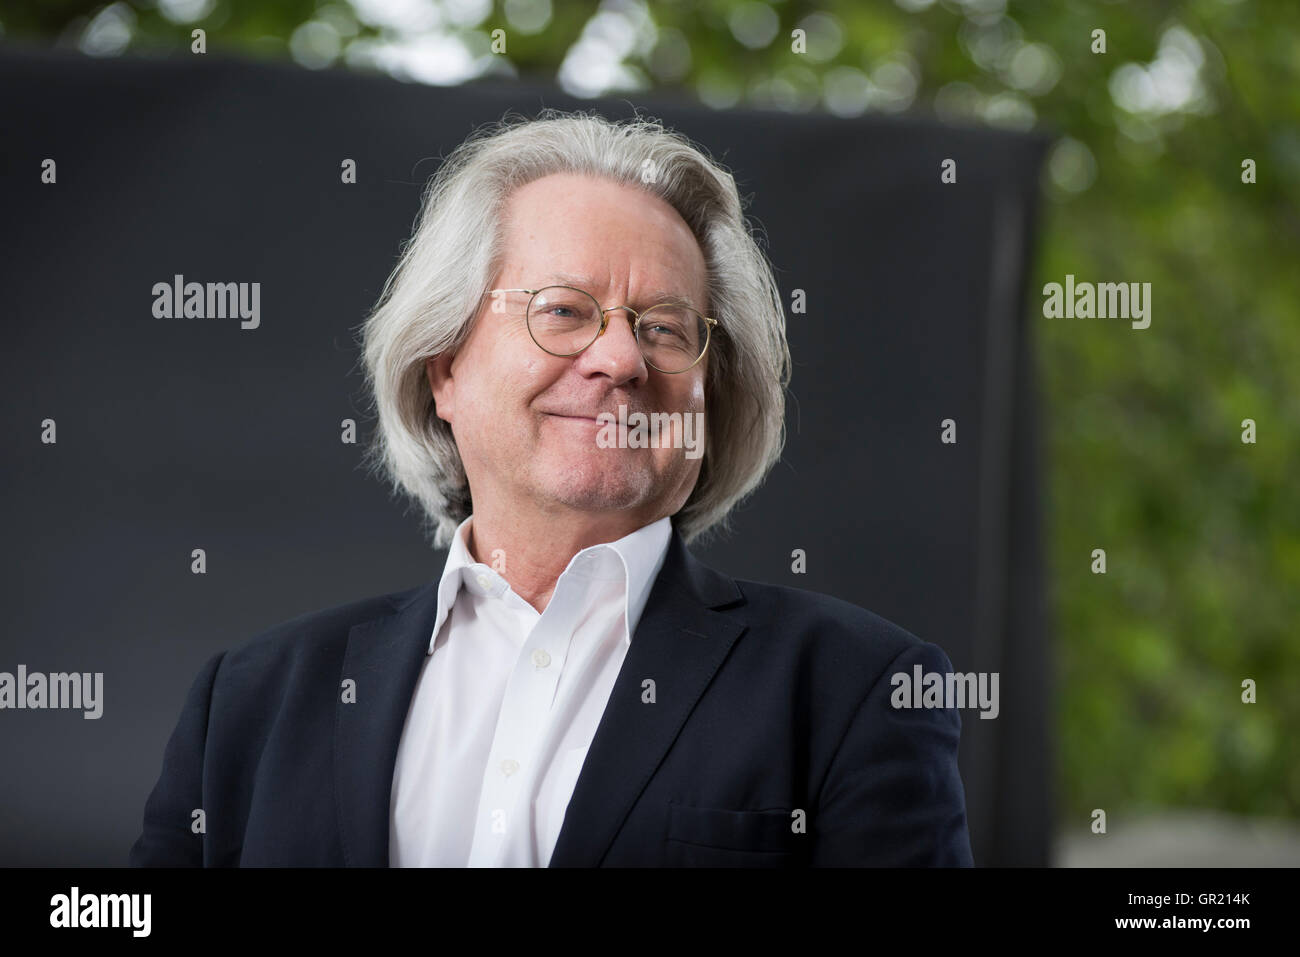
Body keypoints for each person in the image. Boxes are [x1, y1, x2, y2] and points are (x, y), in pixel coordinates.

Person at [129, 109, 973, 867]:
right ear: (444, 372)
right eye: (564, 311)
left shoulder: (857, 690)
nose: (622, 359)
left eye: (665, 327)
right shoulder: (250, 700)